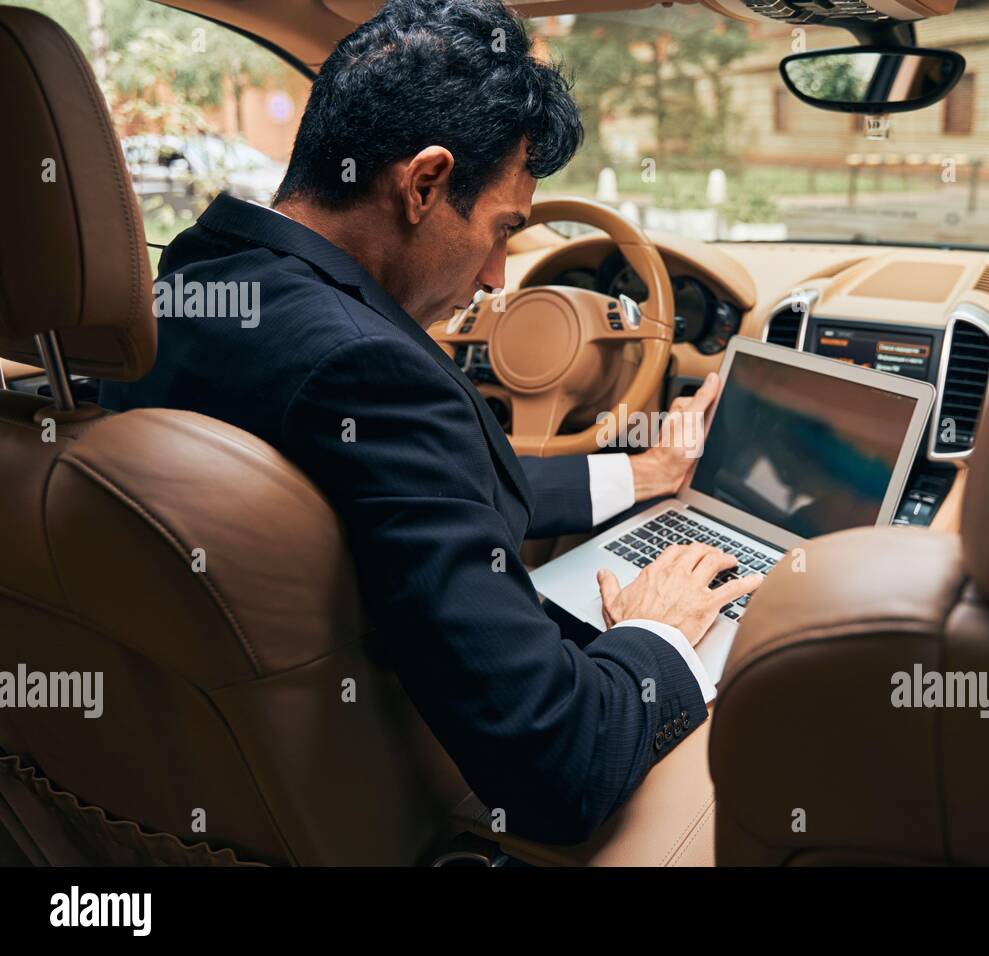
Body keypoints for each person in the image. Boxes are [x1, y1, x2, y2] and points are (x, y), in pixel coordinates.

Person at [100, 0, 761, 844]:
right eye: (502, 232)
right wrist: (657, 628)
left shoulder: (190, 292)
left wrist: (639, 475)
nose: (495, 279)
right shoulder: (371, 372)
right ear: (423, 183)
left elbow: (396, 492)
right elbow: (559, 764)